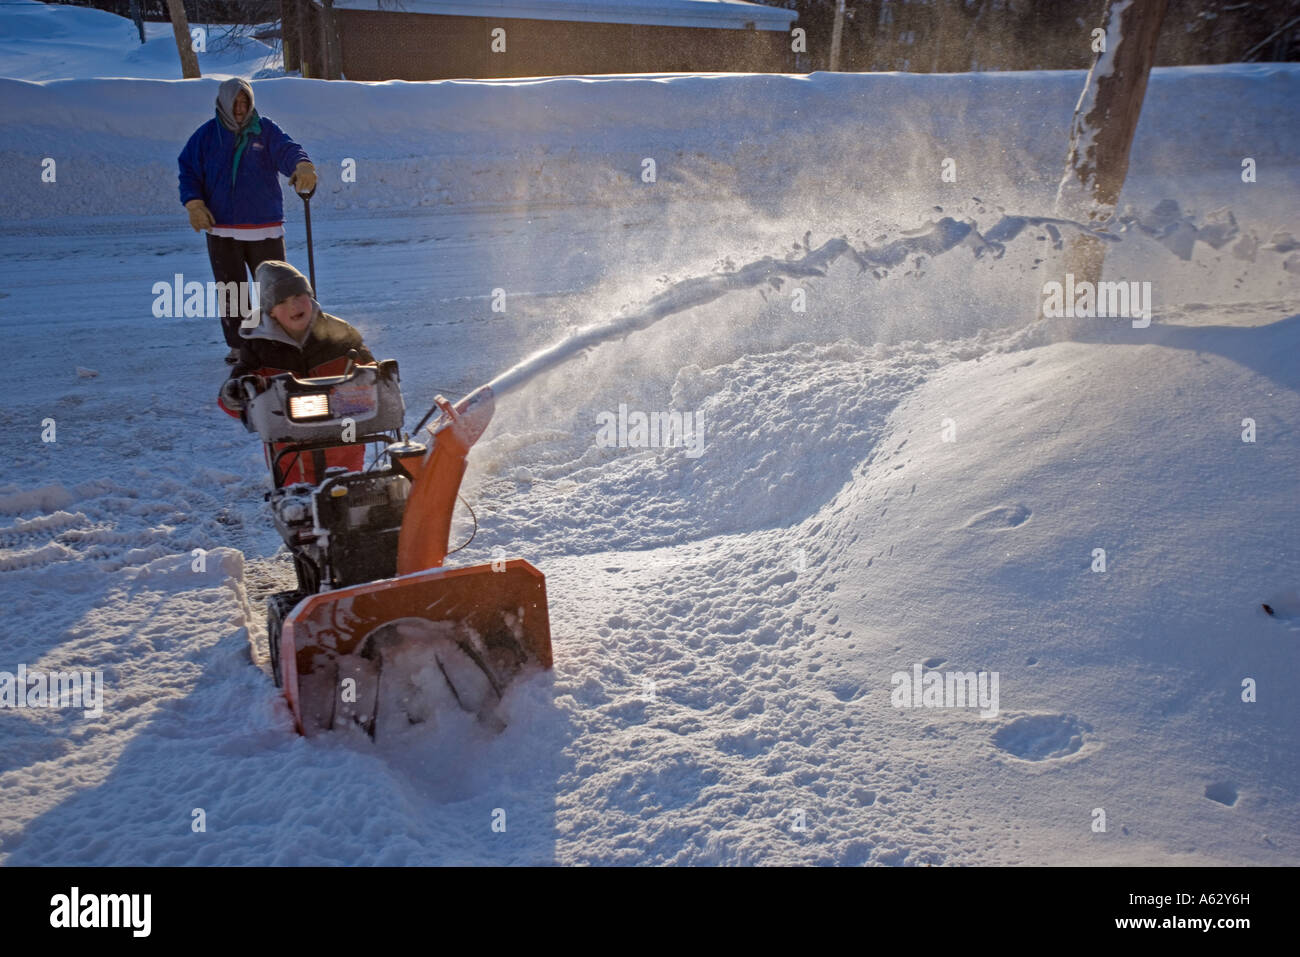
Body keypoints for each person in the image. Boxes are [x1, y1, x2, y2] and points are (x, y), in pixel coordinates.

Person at [178, 77, 317, 363]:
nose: (240, 109)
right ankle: (241, 347)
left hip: (264, 226)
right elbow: (188, 169)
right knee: (233, 292)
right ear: (223, 104)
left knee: (278, 289)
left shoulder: (265, 130)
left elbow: (287, 149)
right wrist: (194, 203)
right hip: (221, 228)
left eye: (245, 102)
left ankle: (286, 339)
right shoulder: (206, 137)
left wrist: (302, 164)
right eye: (235, 103)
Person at [219, 261, 376, 486]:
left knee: (347, 501)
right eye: (282, 301)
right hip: (290, 451)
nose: (294, 306)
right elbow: (230, 399)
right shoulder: (257, 347)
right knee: (299, 510)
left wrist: (377, 375)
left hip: (344, 441)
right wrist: (235, 394)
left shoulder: (340, 334)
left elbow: (374, 375)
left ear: (310, 296)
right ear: (270, 312)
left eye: (298, 296)